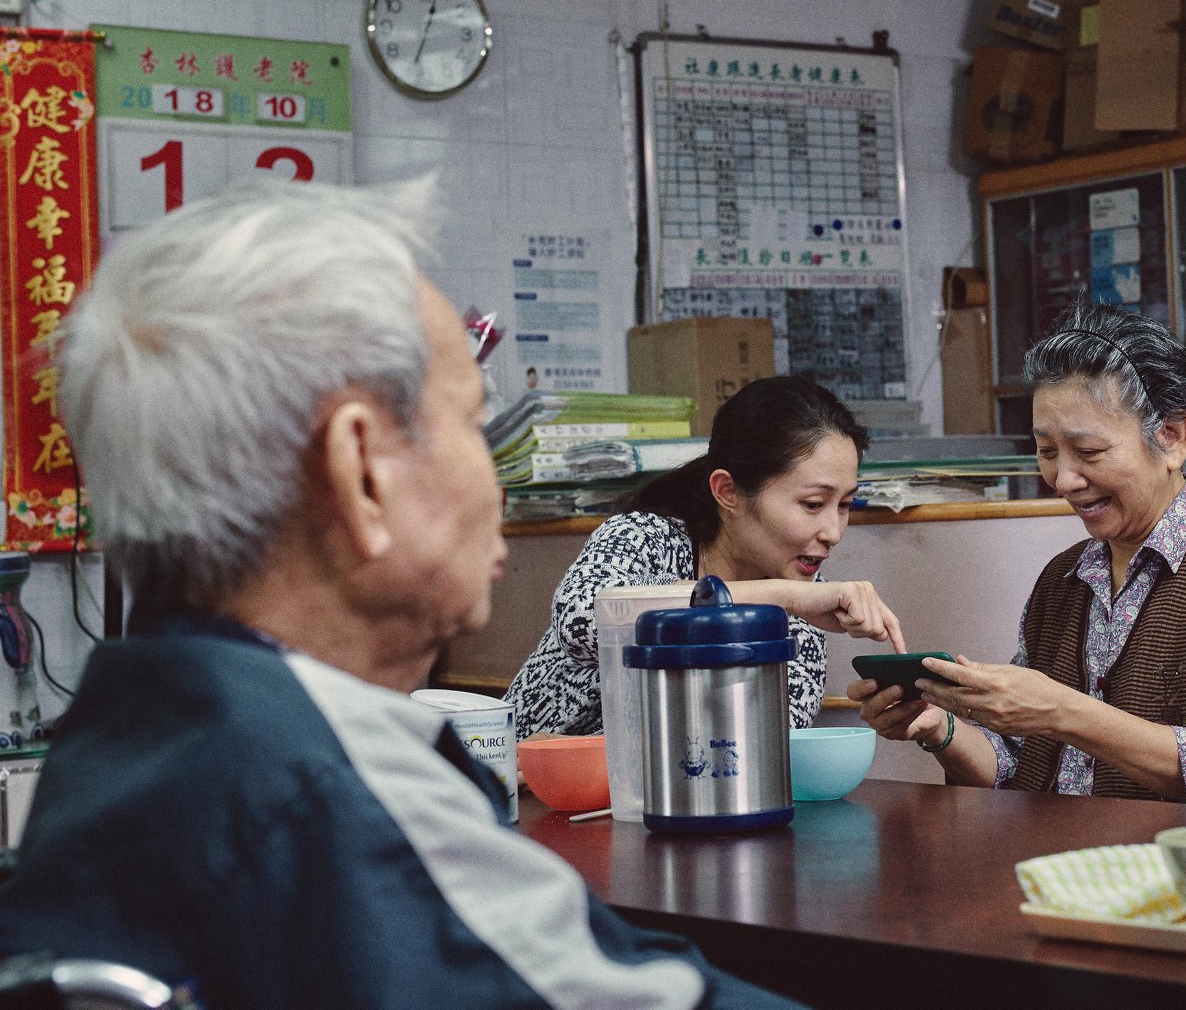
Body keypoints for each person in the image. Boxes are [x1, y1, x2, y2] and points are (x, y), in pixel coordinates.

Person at [0, 180, 797, 1009]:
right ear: (362, 476)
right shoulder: (342, 800)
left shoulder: (126, 735)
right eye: (473, 425)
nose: (489, 484)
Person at [854, 304, 1186, 805]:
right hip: (1062, 871)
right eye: (1047, 452)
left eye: (1089, 452)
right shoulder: (1065, 577)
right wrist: (940, 729)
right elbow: (1014, 767)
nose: (1063, 480)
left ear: (1172, 437)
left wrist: (1058, 710)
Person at [509, 376, 905, 739]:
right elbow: (581, 621)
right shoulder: (645, 538)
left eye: (845, 504)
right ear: (728, 491)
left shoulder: (804, 606)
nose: (833, 533)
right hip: (516, 792)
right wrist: (780, 597)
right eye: (813, 503)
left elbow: (759, 742)